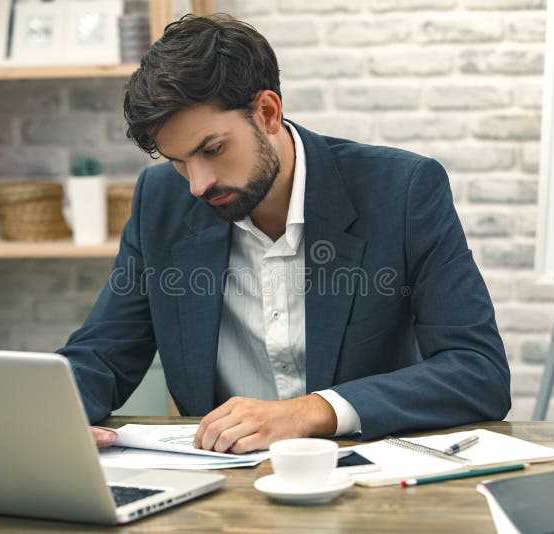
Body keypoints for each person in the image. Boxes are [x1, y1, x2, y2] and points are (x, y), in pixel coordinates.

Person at [57, 14, 510, 453]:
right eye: (178, 161)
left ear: (267, 112)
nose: (197, 183)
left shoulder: (402, 191)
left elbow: (477, 371)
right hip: (222, 493)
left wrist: (309, 412)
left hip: (369, 482)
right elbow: (103, 353)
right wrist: (53, 416)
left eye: (212, 150)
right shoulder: (161, 200)